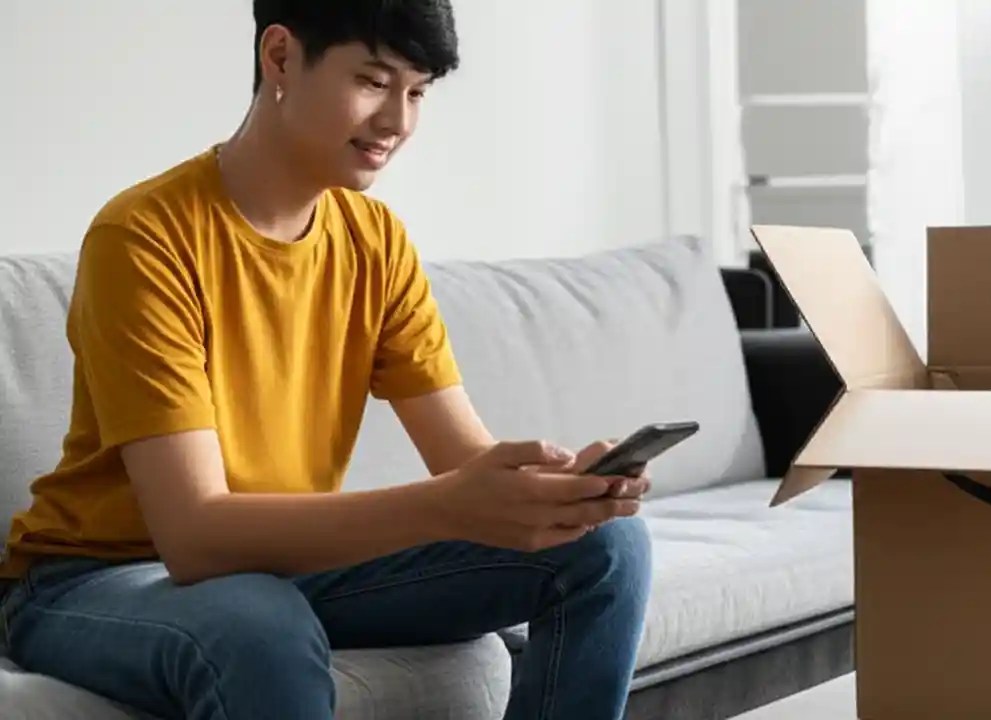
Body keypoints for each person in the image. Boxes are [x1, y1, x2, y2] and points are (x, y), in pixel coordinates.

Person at [0, 2, 653, 718]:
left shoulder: (376, 241)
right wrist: (445, 506)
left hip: (284, 566)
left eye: (418, 91)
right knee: (258, 627)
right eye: (374, 81)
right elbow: (192, 536)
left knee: (607, 544)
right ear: (279, 57)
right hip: (98, 577)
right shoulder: (146, 237)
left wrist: (556, 492)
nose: (398, 122)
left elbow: (461, 459)